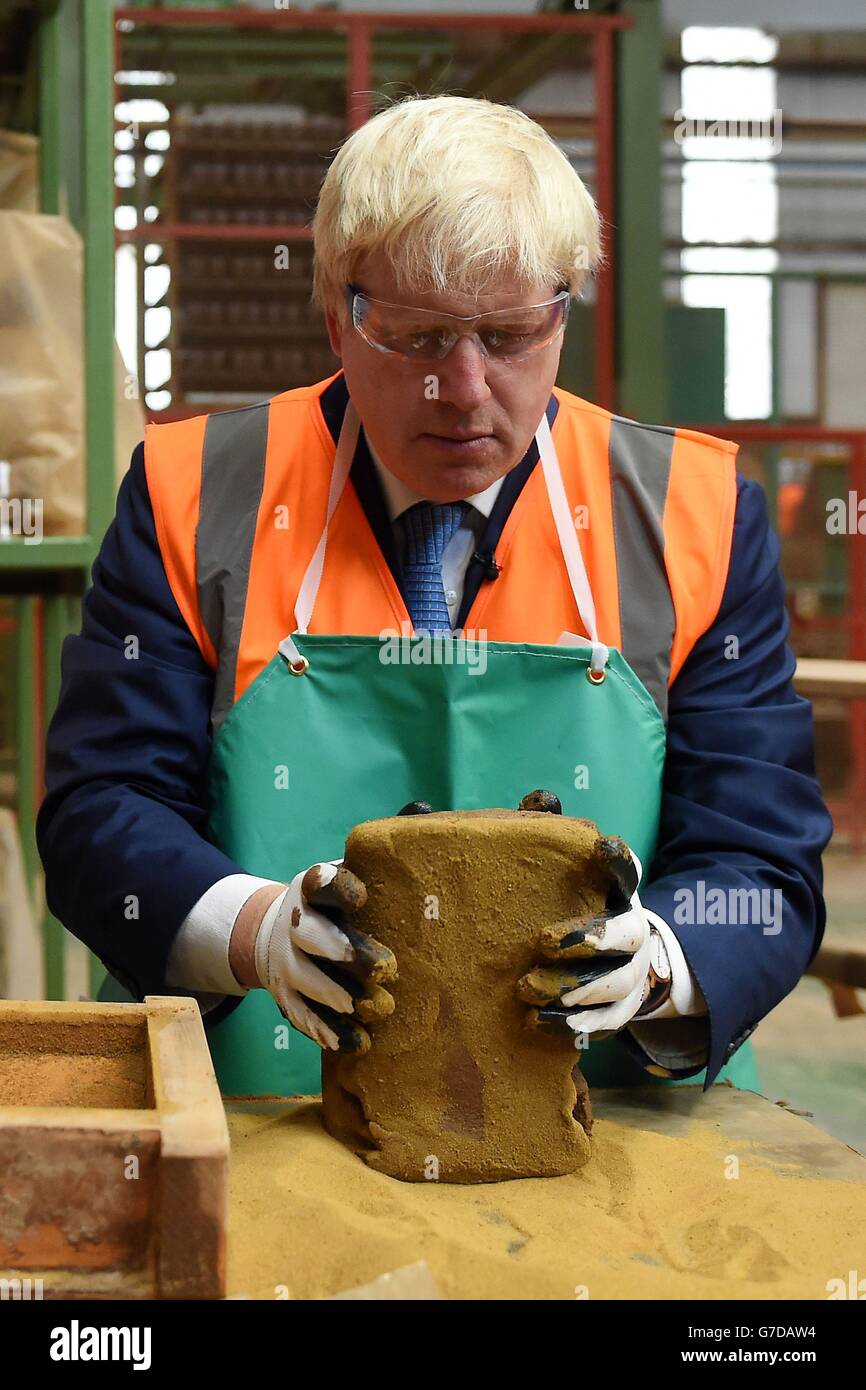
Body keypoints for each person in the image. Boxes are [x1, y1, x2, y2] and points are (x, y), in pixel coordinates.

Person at [37, 95, 832, 1098]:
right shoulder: (194, 498)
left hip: (610, 1140)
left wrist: (662, 964)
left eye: (507, 337)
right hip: (256, 1121)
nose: (461, 389)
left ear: (562, 313)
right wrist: (251, 930)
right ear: (337, 316)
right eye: (418, 341)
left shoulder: (693, 515)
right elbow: (100, 810)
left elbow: (759, 858)